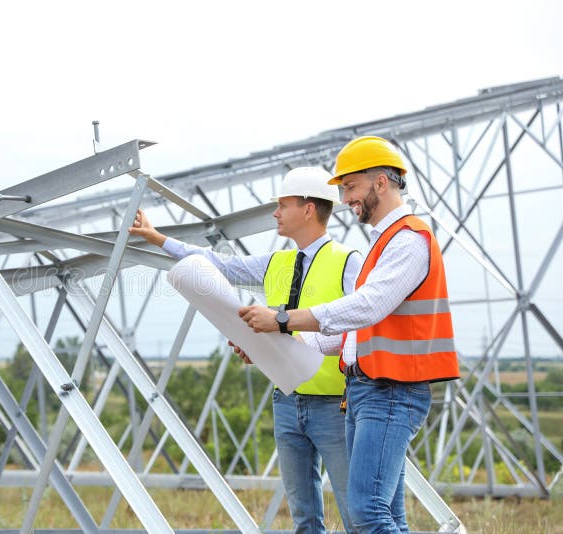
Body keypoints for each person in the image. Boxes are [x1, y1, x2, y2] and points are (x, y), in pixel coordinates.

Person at [239, 136, 460, 533]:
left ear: (380, 182)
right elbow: (355, 332)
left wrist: (285, 320)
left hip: (392, 390)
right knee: (386, 515)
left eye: (351, 187)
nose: (345, 198)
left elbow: (366, 306)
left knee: (367, 511)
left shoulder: (408, 239)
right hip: (367, 390)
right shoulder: (383, 244)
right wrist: (273, 346)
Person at [129, 167, 362, 533]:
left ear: (308, 210)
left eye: (282, 205)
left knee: (356, 512)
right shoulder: (277, 263)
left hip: (333, 402)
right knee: (304, 517)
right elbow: (217, 263)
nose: (275, 213)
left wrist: (291, 336)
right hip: (286, 401)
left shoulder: (349, 262)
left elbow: (355, 326)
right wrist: (158, 239)